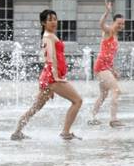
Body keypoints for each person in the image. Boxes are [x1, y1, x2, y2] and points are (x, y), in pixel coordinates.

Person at [11, 9, 83, 141]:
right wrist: (56, 77)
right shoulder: (47, 37)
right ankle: (65, 132)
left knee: (36, 107)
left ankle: (17, 131)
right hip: (52, 77)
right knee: (77, 101)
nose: (53, 22)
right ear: (43, 22)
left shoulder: (49, 35)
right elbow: (50, 57)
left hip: (48, 77)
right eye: (50, 20)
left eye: (55, 19)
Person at [89, 1, 125, 127]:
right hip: (101, 66)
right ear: (114, 22)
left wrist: (113, 69)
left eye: (122, 24)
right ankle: (113, 119)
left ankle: (92, 117)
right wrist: (107, 12)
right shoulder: (109, 31)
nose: (121, 25)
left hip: (106, 67)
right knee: (116, 90)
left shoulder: (115, 36)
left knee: (103, 95)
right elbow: (101, 24)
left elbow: (110, 56)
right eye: (119, 23)